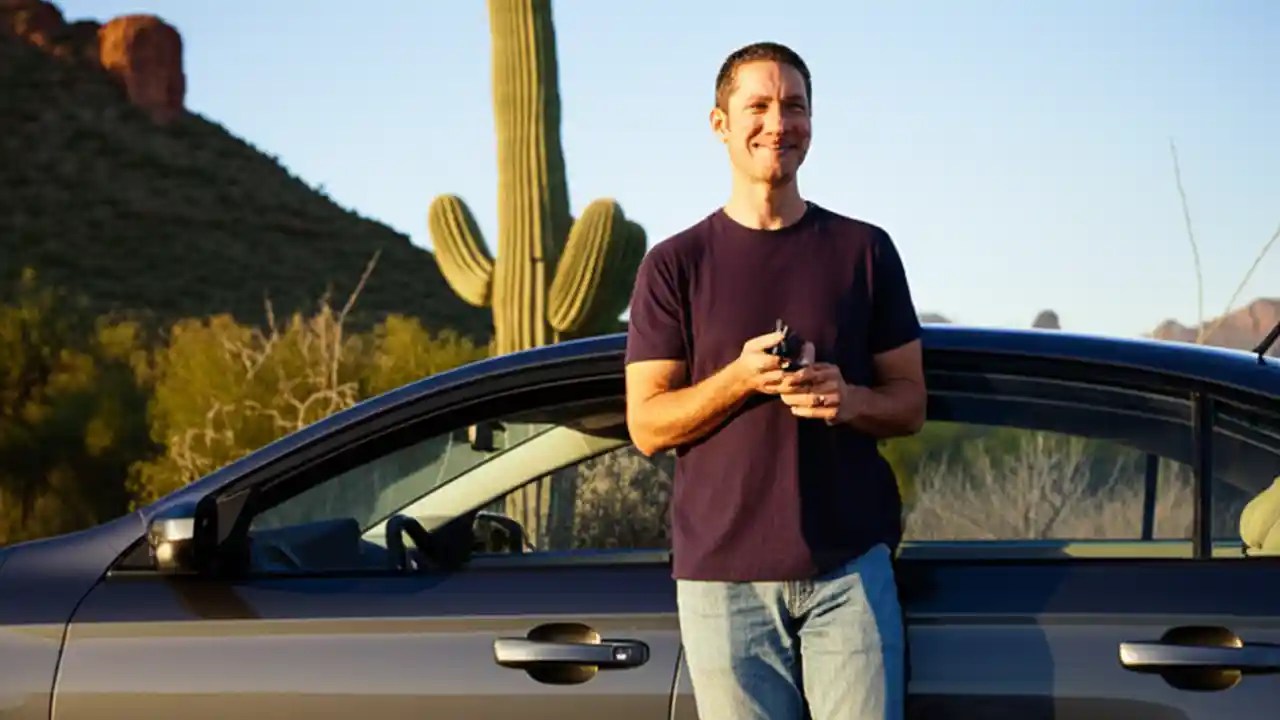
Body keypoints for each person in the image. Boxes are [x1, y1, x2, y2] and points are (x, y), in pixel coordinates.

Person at [623, 41, 927, 720]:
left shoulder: (864, 251)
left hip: (848, 572)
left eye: (794, 106)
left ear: (812, 121)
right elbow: (646, 425)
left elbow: (910, 403)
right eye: (757, 105)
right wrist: (739, 378)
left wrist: (848, 400)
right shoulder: (675, 265)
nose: (778, 122)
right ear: (719, 123)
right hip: (720, 584)